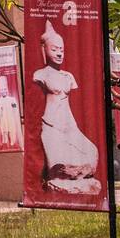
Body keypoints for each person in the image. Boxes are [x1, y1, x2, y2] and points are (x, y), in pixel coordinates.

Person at [32, 20, 100, 194]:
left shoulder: (68, 76)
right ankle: (59, 182)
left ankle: (80, 180)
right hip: (51, 123)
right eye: (54, 49)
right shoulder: (40, 74)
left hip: (69, 123)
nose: (59, 53)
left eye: (61, 50)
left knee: (91, 152)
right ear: (44, 49)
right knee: (57, 161)